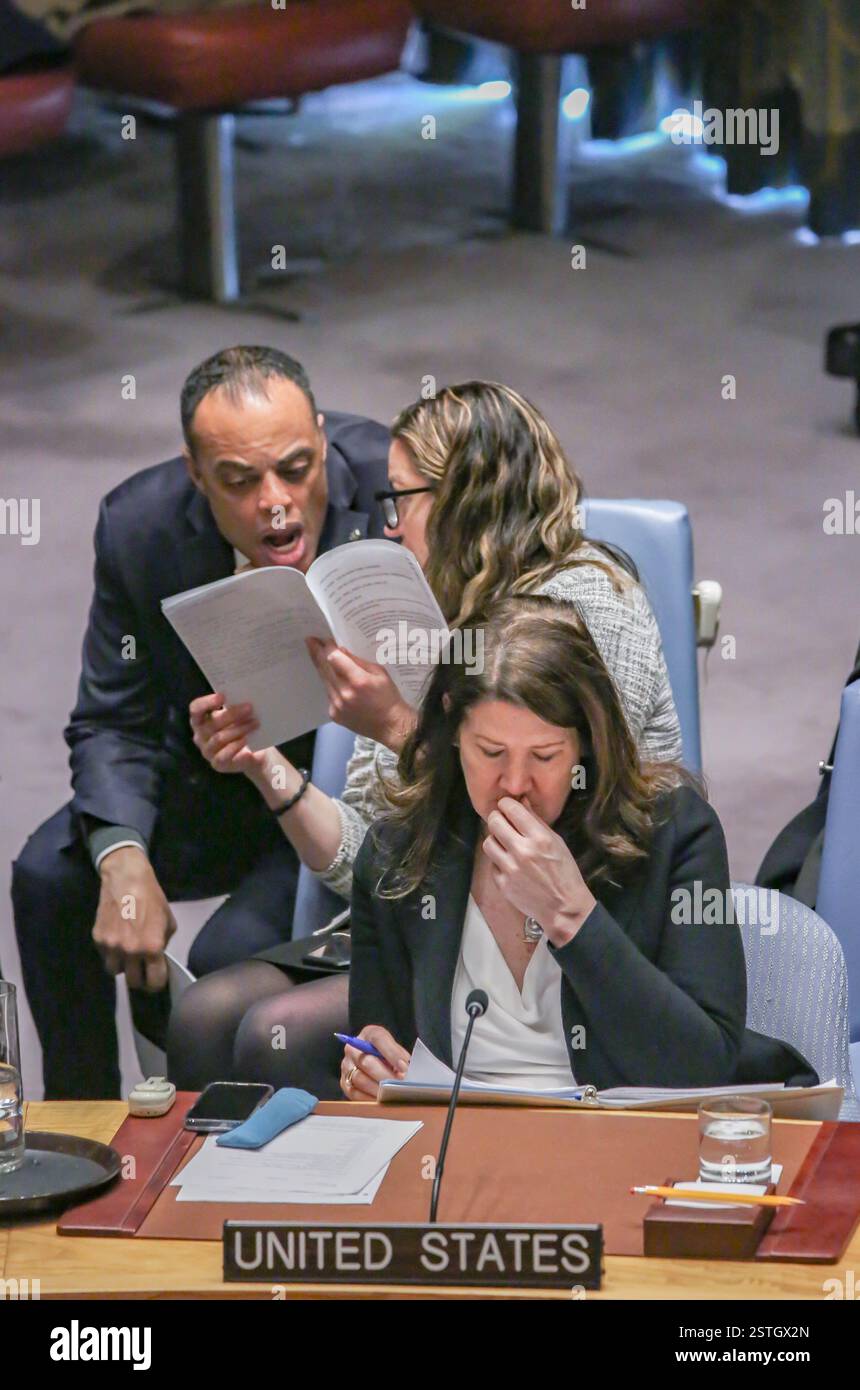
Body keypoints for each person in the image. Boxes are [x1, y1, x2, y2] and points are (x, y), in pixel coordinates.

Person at [167, 380, 684, 1094]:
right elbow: (366, 865)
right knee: (202, 1013)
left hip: (554, 929)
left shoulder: (585, 602)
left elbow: (549, 824)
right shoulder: (424, 610)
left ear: (463, 496)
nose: (389, 526)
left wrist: (395, 726)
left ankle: (339, 1201)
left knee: (269, 1035)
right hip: (418, 919)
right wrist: (267, 769)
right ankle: (217, 1204)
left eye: (400, 498)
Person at [11, 345, 391, 1099]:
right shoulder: (138, 526)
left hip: (343, 797)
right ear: (194, 473)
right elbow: (111, 722)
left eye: (296, 466)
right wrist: (123, 860)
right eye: (240, 482)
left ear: (321, 435)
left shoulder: (394, 488)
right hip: (213, 778)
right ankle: (83, 1120)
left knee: (225, 961)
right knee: (51, 875)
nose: (276, 502)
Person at [341, 596, 818, 1100]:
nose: (515, 784)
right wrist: (369, 1068)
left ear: (586, 743)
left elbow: (700, 1067)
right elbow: (382, 1051)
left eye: (544, 756)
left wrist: (571, 917)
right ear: (453, 729)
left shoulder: (677, 833)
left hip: (627, 1141)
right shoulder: (397, 853)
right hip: (464, 1148)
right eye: (491, 752)